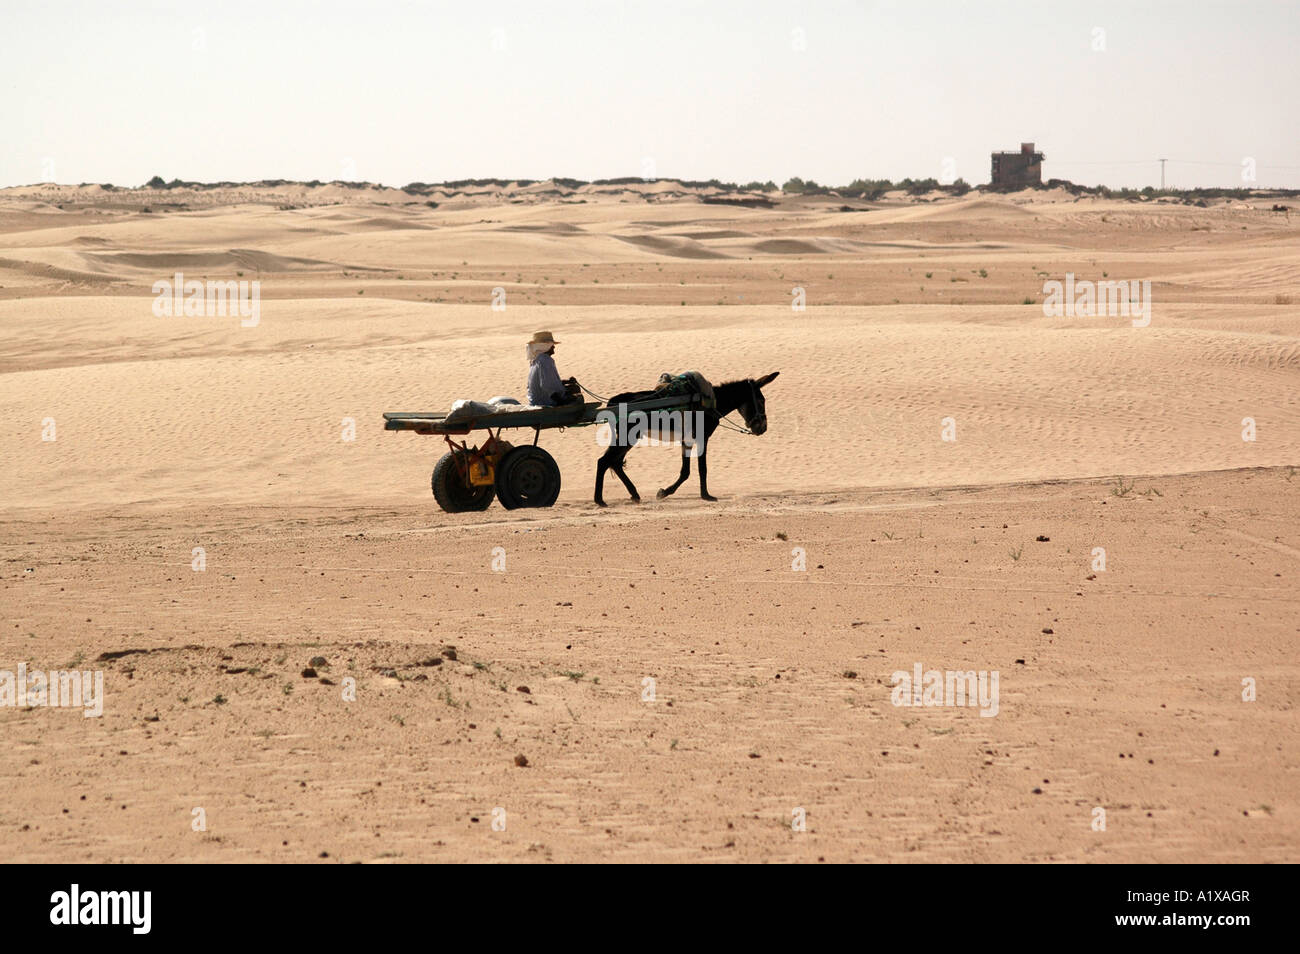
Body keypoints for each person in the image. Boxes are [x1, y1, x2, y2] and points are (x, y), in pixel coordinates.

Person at [526, 330, 581, 406]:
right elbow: (547, 386)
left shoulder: (536, 360)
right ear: (545, 346)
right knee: (575, 390)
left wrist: (567, 381)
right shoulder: (545, 360)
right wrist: (561, 402)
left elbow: (549, 381)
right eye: (551, 345)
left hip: (535, 400)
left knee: (571, 388)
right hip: (544, 402)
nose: (554, 347)